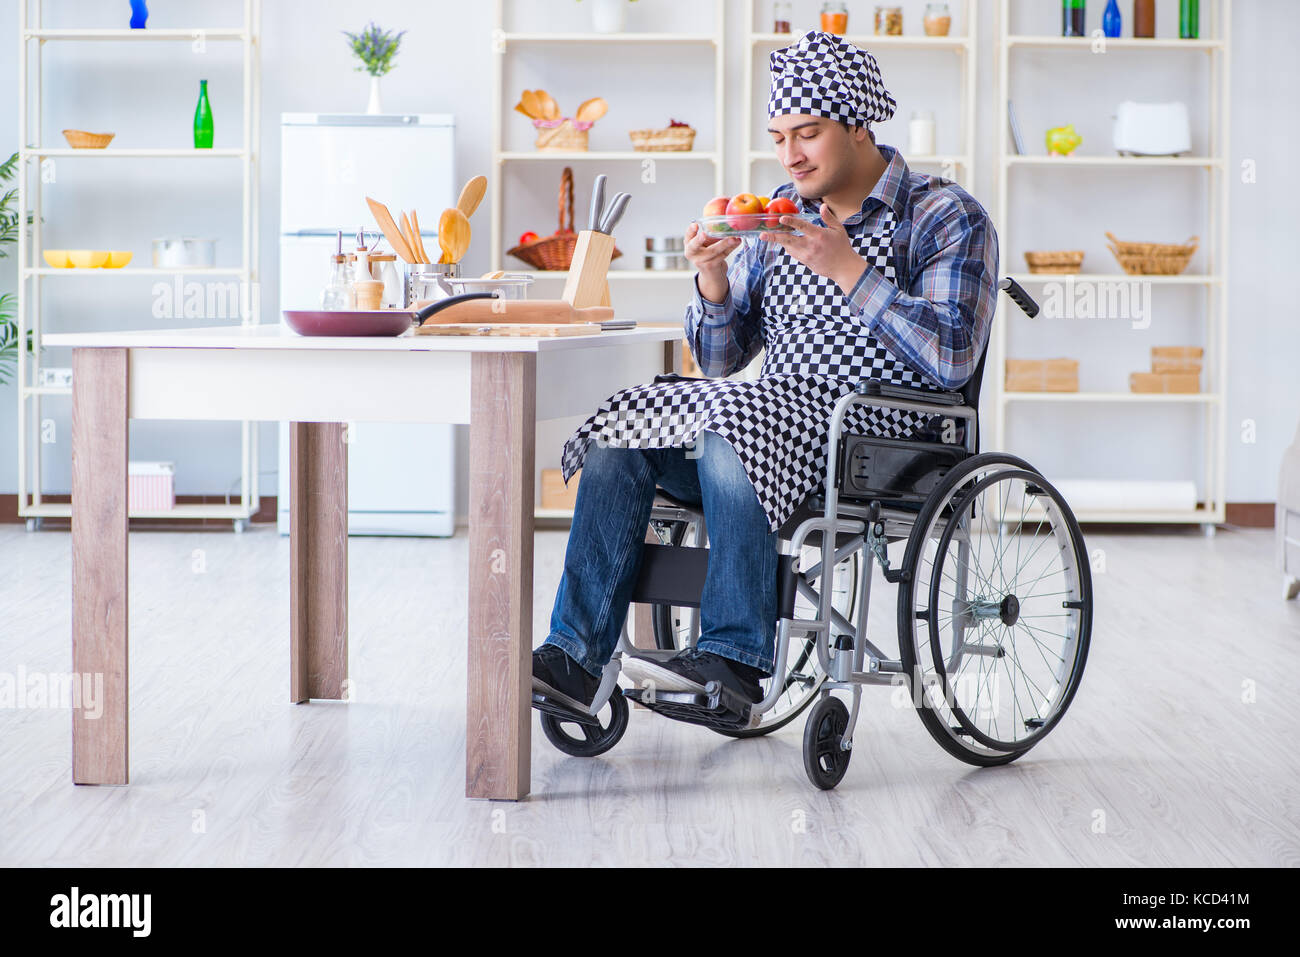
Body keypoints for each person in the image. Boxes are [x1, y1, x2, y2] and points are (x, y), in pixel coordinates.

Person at [533, 29, 999, 715]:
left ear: (859, 124)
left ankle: (735, 657)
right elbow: (723, 360)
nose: (790, 154)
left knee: (733, 420)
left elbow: (953, 354)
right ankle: (575, 658)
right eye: (779, 136)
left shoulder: (942, 216)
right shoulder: (780, 213)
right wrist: (713, 279)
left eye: (806, 133)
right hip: (768, 432)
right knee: (625, 424)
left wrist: (848, 270)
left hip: (885, 445)